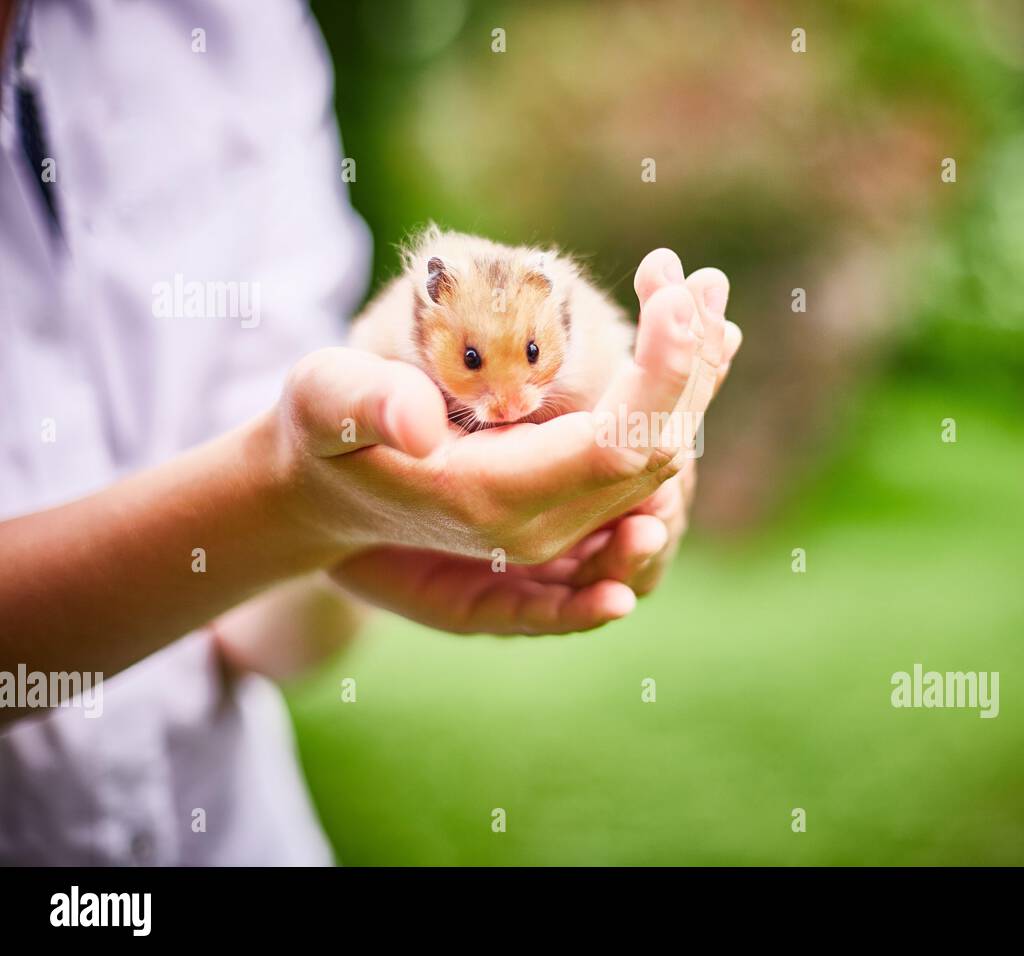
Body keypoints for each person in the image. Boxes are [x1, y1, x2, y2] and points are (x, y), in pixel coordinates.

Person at [0, 0, 739, 864]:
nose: (504, 399)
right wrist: (303, 504)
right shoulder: (395, 342)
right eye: (472, 361)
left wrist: (352, 536)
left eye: (529, 357)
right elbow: (280, 471)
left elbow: (254, 630)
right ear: (431, 325)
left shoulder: (238, 25)